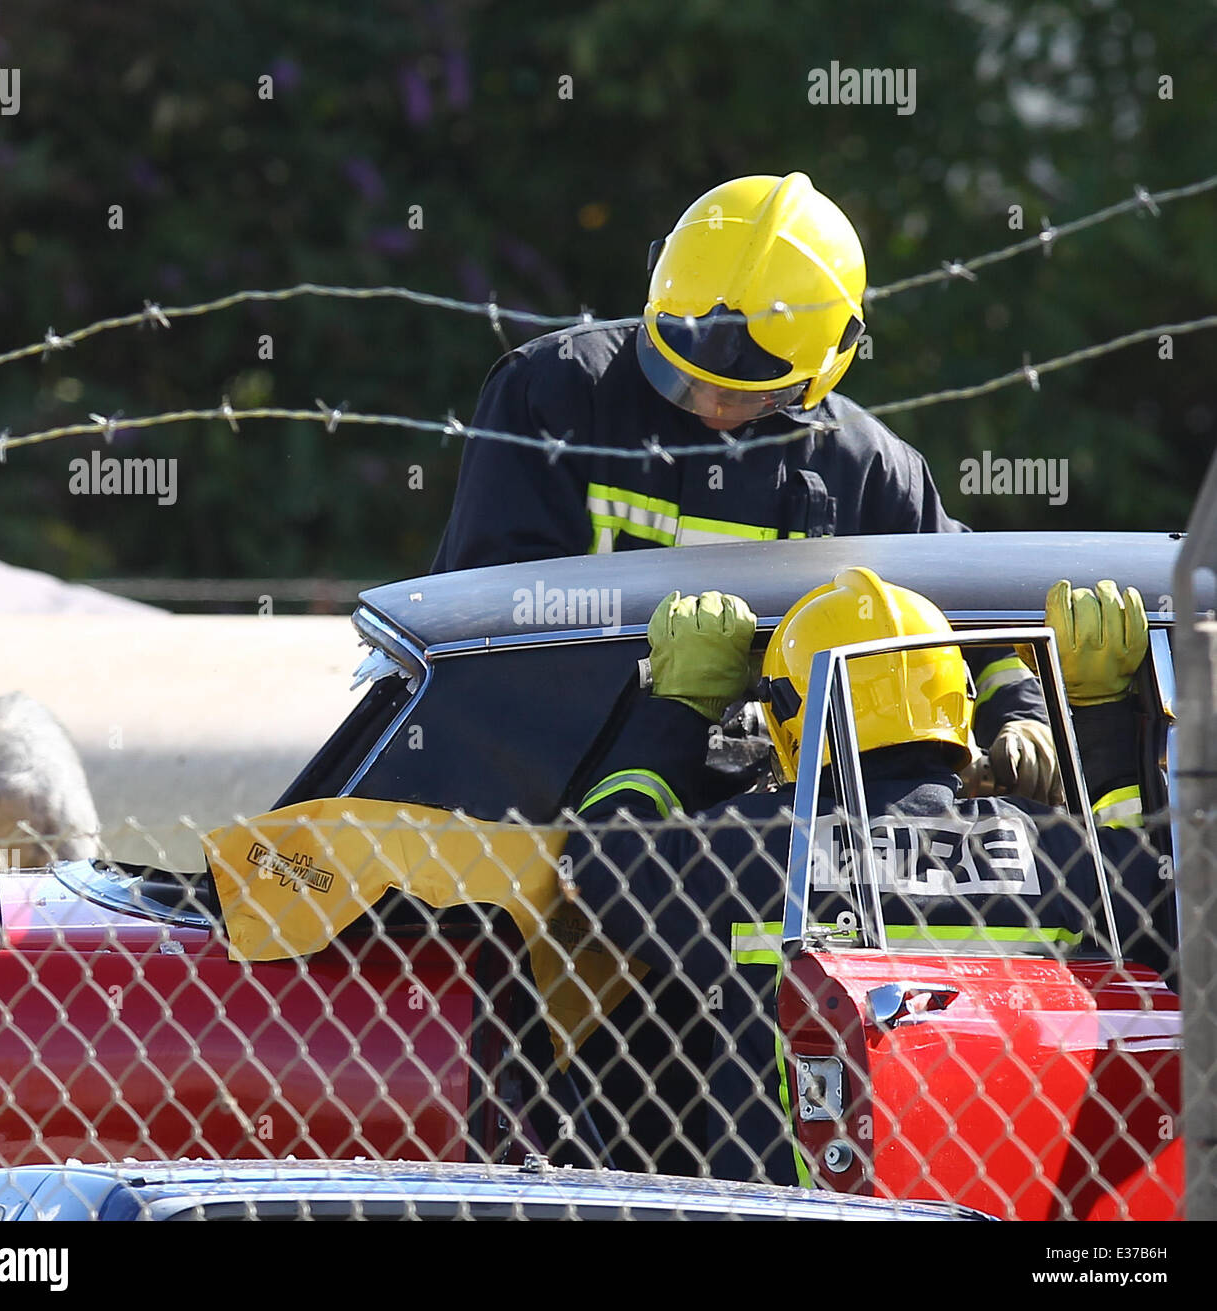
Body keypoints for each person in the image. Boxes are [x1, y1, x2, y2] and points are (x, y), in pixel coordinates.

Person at [432, 172, 1053, 799]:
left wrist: (1021, 713)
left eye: (743, 392)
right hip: (542, 776)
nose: (710, 404)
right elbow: (487, 622)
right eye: (684, 373)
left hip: (768, 815)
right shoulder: (555, 394)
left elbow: (972, 614)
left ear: (829, 362)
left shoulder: (868, 471)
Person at [561, 570, 1170, 1186]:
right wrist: (1101, 717)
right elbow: (1161, 904)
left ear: (789, 715)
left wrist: (680, 705)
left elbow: (601, 861)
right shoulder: (1060, 853)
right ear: (958, 700)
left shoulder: (744, 848)